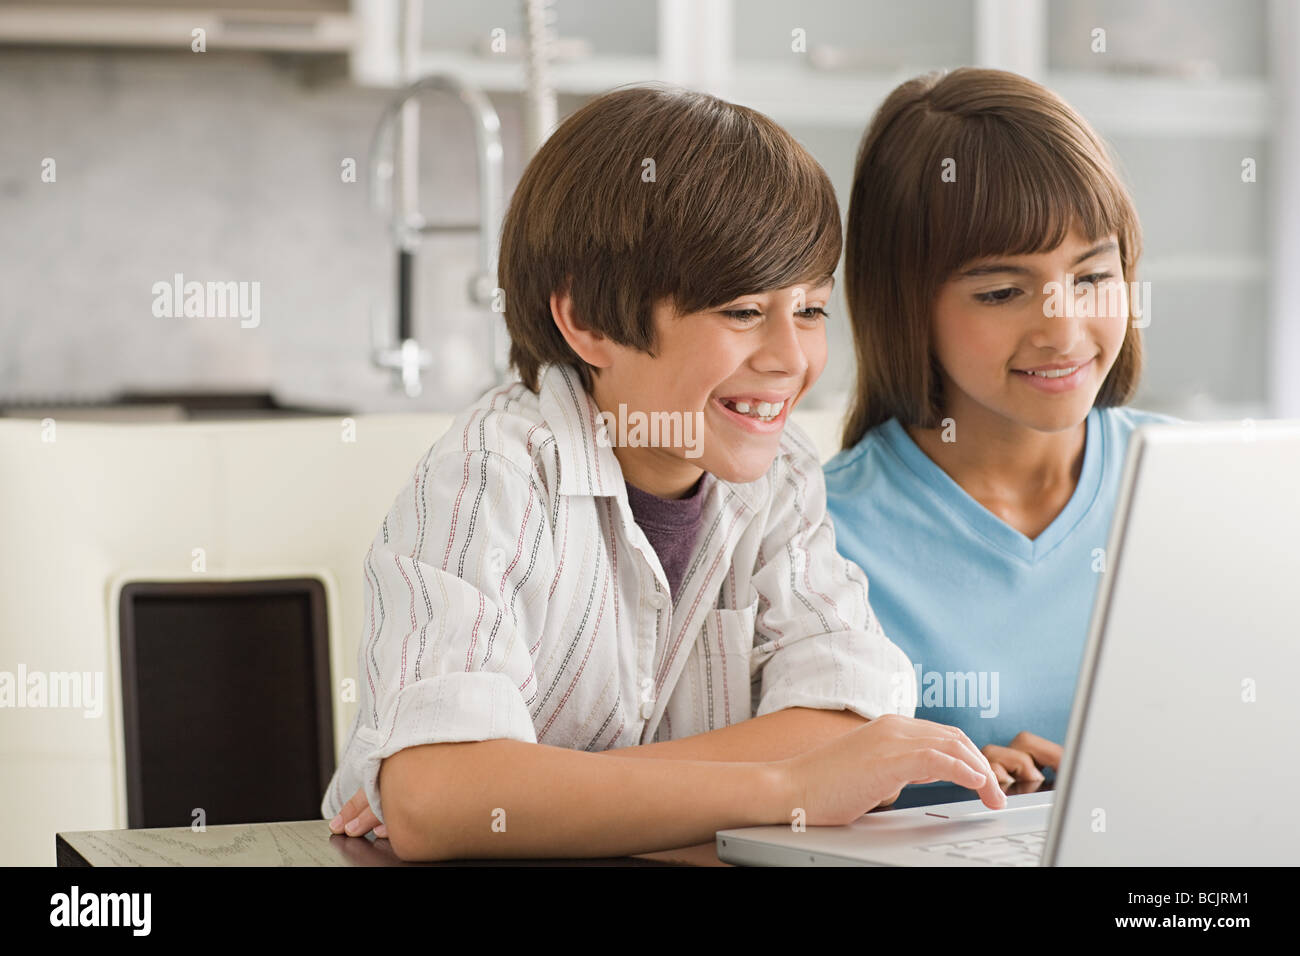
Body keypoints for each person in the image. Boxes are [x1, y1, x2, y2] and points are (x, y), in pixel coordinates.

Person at [323, 85, 1004, 861]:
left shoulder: (777, 474)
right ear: (585, 322)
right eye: (744, 311)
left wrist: (512, 789)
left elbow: (850, 723)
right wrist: (789, 786)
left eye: (811, 310)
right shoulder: (490, 479)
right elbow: (442, 802)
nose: (790, 357)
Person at [825, 68, 1178, 789]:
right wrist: (930, 791)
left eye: (1091, 277)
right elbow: (792, 792)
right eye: (1003, 292)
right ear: (905, 303)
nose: (1064, 328)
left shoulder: (1197, 481)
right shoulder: (816, 534)